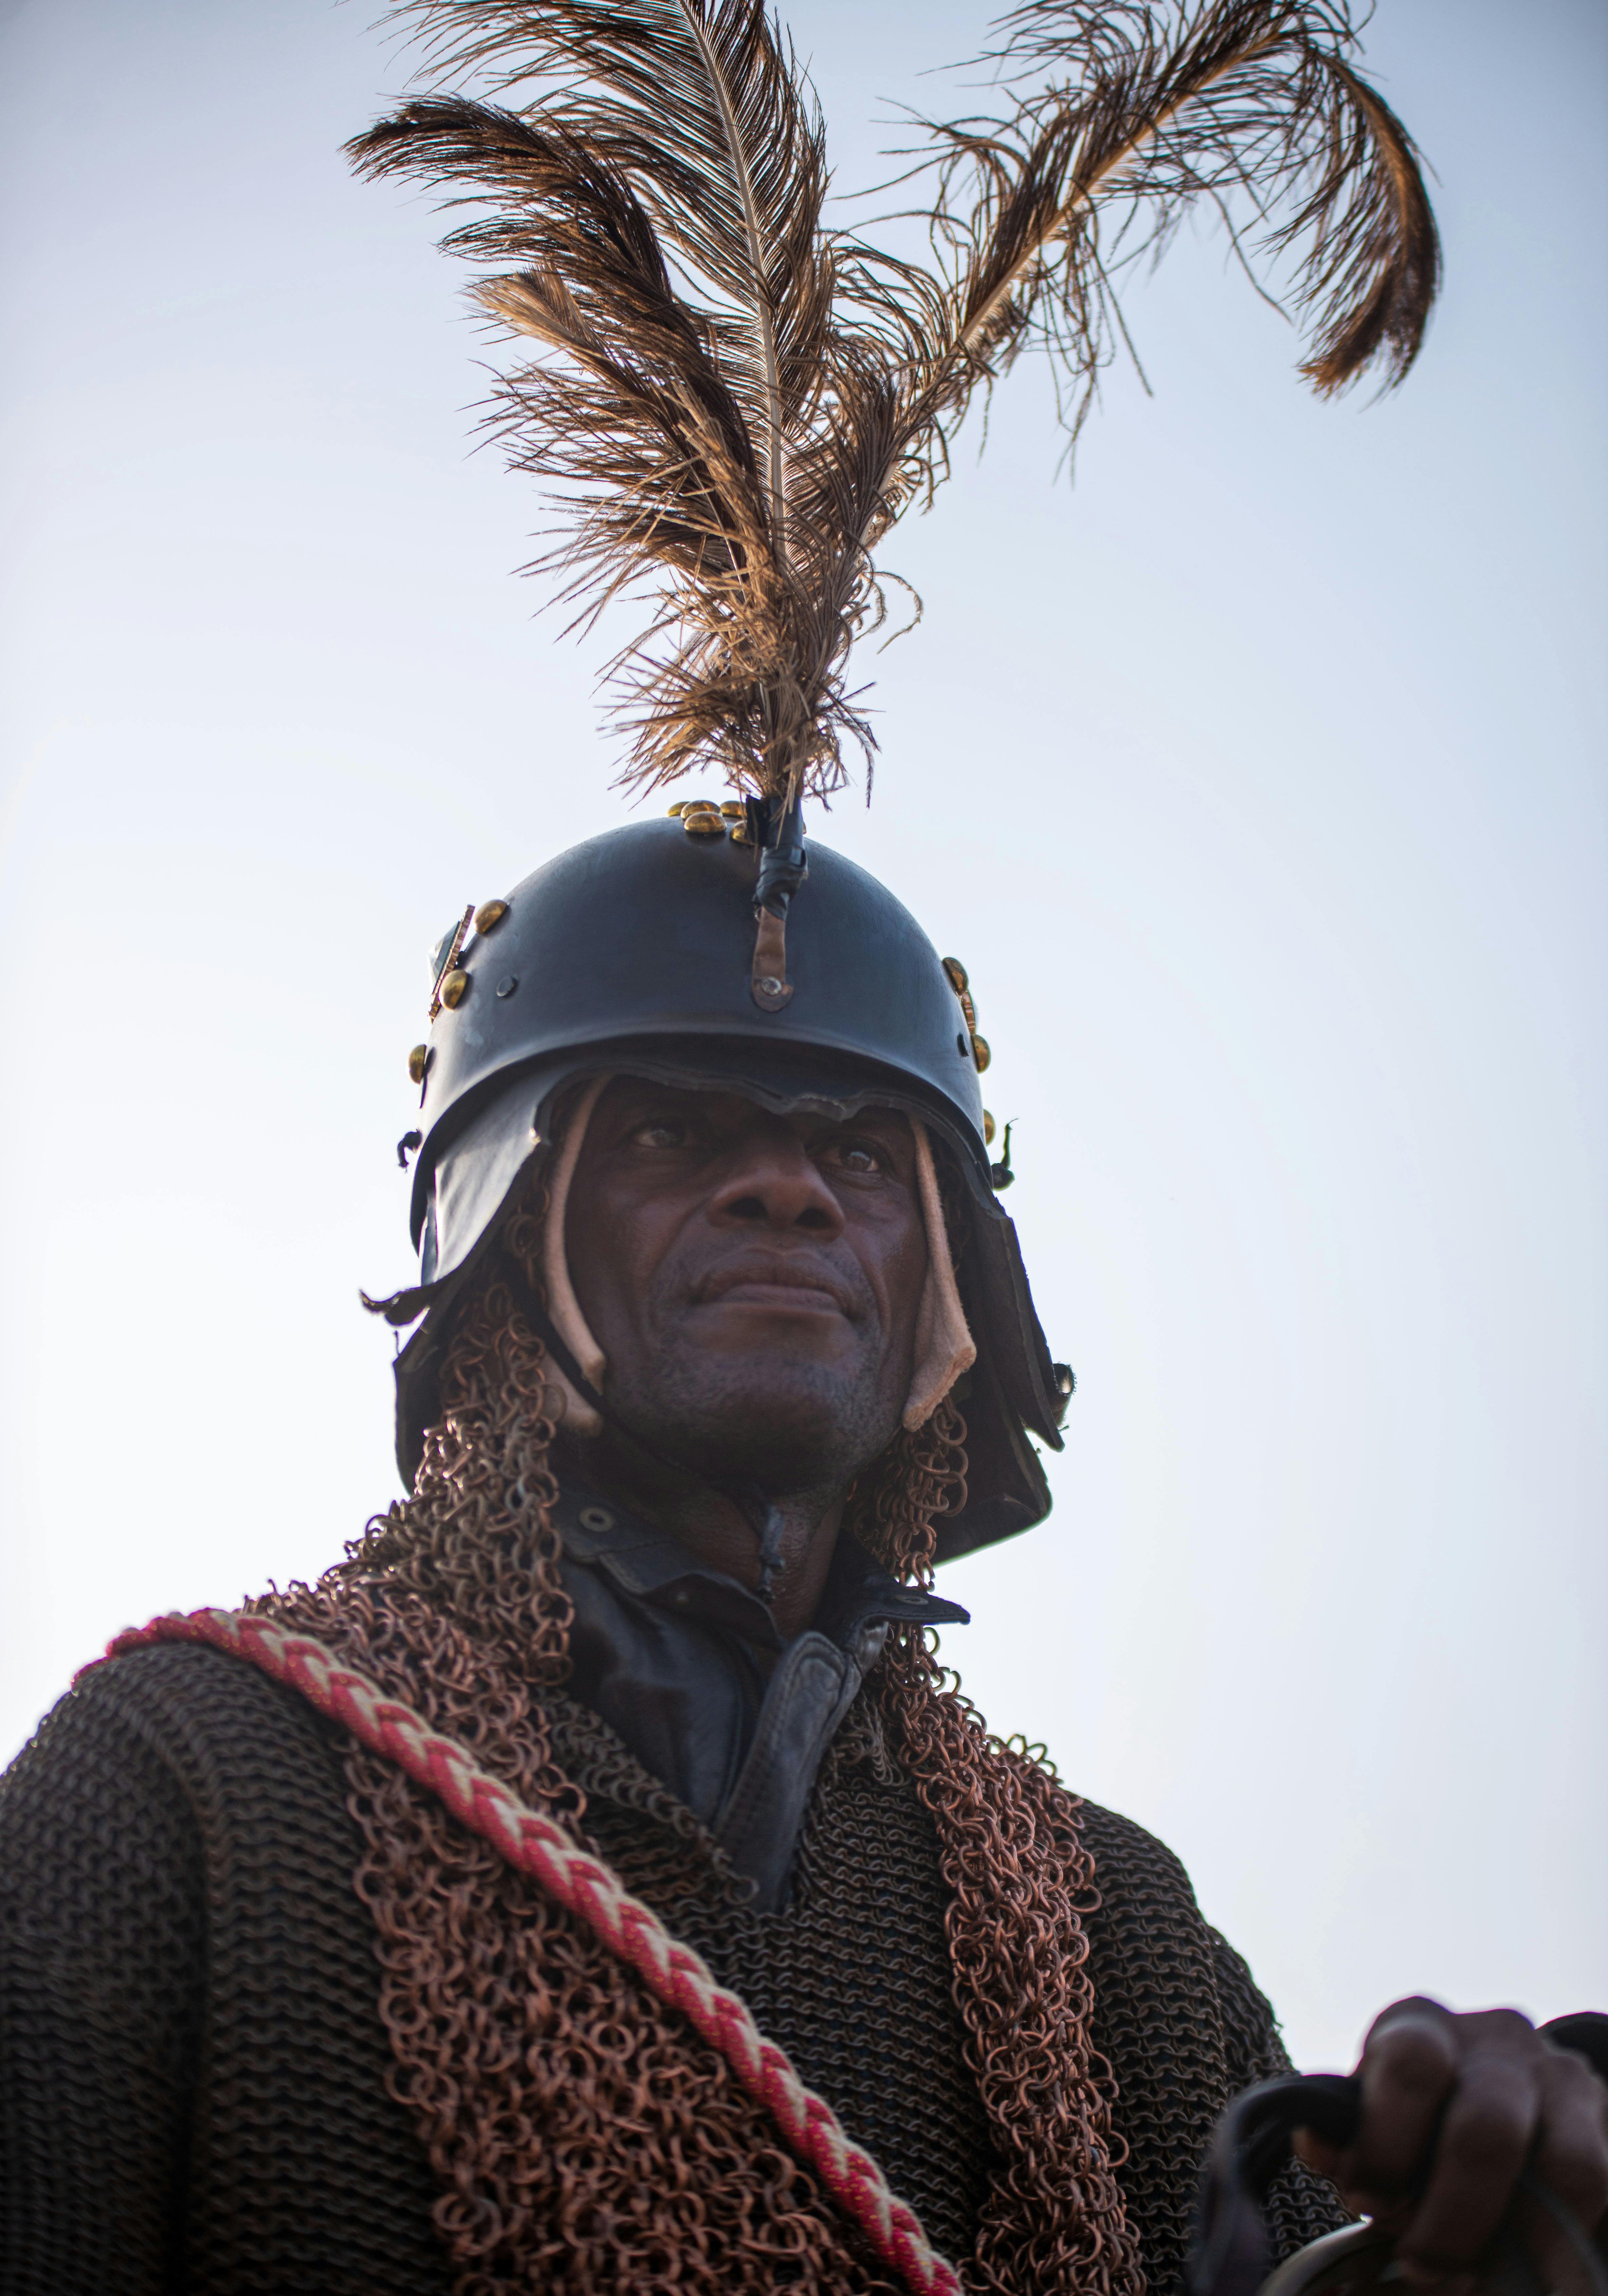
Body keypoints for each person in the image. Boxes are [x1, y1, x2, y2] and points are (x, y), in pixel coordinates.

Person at [3, 4, 1604, 2292]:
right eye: (680, 1129)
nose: (789, 1188)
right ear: (515, 1241)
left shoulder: (1128, 1943)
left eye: (862, 1149)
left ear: (951, 1278)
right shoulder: (185, 1785)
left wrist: (1489, 2237)